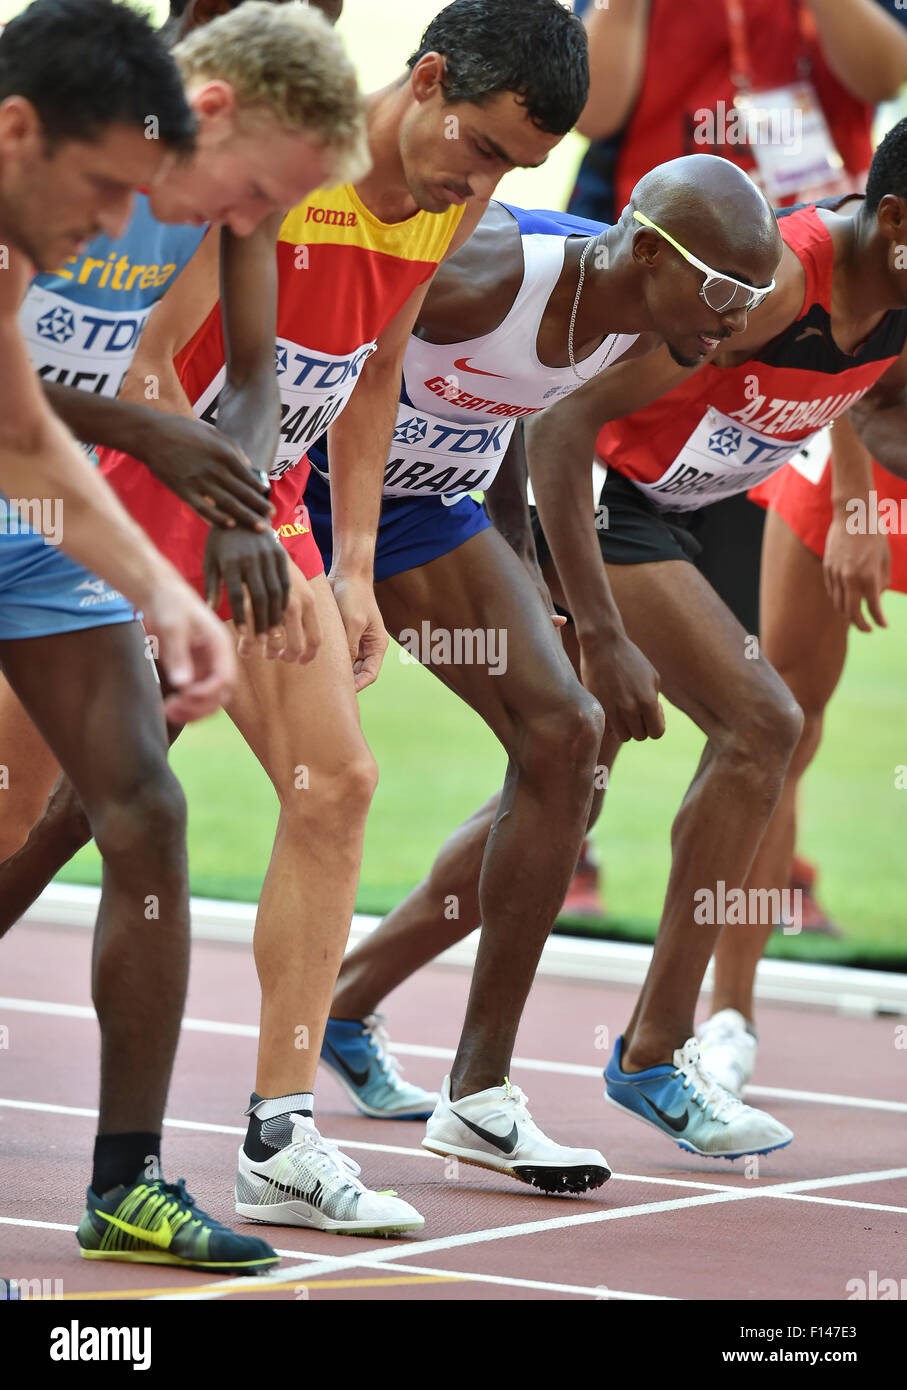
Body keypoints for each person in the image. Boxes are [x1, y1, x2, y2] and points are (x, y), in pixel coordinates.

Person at [0, 0, 593, 1231]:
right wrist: (187, 529)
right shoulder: (261, 168)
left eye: (513, 170)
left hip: (252, 494)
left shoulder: (435, 192)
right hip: (122, 482)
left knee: (334, 785)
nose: (483, 178)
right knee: (30, 799)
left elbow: (368, 372)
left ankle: (279, 1132)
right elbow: (147, 366)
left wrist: (356, 564)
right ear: (425, 82)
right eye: (479, 146)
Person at [0, 0, 278, 1274]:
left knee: (145, 809)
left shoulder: (27, 242)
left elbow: (26, 433)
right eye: (107, 190)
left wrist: (165, 597)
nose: (122, 227)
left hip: (40, 525)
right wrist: (153, 433)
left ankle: (126, 1183)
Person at [561, 0, 907, 924]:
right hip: (667, 325)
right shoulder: (762, 287)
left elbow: (883, 75)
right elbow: (588, 110)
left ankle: (691, 1006)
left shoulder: (872, 277)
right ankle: (561, 847)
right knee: (608, 722)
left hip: (764, 396)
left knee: (756, 712)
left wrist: (855, 497)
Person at [0, 0, 366, 862]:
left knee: (111, 809)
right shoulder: (58, 130)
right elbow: (123, 383)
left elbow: (250, 374)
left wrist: (236, 524)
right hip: (57, 459)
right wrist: (153, 436)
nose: (115, 221)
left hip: (49, 484)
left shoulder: (233, 191)